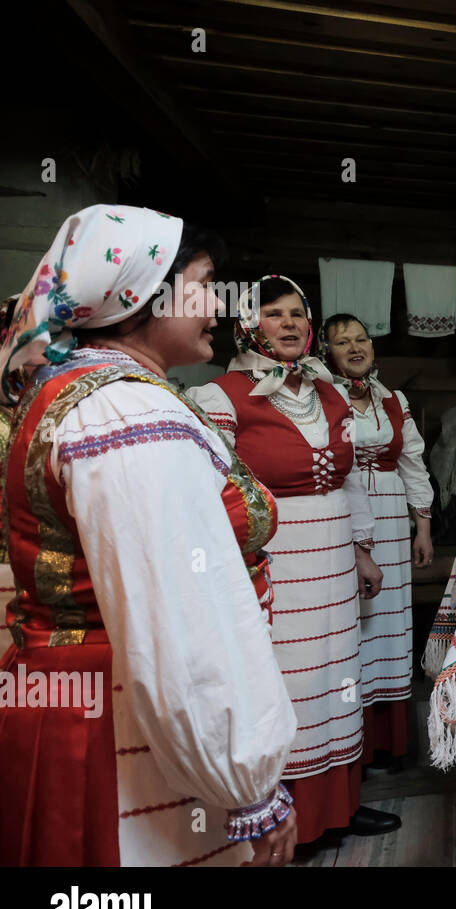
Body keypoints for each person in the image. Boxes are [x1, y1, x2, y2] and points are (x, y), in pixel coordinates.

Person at [0, 205, 298, 866]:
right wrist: (247, 784)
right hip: (129, 724)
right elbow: (181, 617)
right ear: (142, 292)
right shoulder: (127, 411)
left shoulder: (82, 391)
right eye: (204, 281)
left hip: (85, 707)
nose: (220, 305)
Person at [189, 275, 399, 846]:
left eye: (298, 315)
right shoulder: (220, 397)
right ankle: (290, 819)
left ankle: (342, 805)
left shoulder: (328, 392)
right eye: (274, 314)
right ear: (248, 325)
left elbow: (352, 478)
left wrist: (362, 549)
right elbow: (209, 495)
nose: (289, 324)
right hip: (276, 560)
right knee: (286, 682)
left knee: (339, 673)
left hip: (333, 555)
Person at [320, 313, 434, 769]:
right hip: (340, 515)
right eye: (341, 342)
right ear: (326, 353)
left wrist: (422, 526)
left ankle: (389, 741)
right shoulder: (318, 399)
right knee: (351, 619)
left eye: (361, 339)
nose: (354, 347)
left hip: (389, 513)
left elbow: (412, 464)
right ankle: (350, 741)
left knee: (388, 622)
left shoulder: (394, 400)